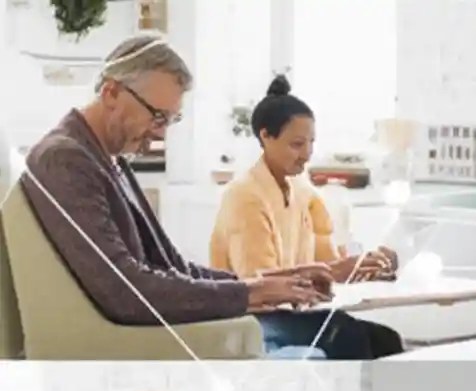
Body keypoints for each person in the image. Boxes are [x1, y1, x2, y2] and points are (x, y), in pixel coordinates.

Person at [17, 34, 398, 359]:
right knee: (353, 338)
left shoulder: (105, 157)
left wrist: (277, 280)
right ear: (111, 92)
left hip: (158, 323)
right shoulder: (66, 160)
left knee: (367, 335)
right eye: (156, 116)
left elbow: (173, 267)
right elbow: (127, 289)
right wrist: (252, 291)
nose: (161, 134)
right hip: (137, 335)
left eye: (169, 120)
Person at [208, 75, 404, 357]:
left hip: (298, 312)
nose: (307, 154)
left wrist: (368, 266)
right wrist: (334, 272)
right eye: (297, 144)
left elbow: (326, 265)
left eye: (311, 143)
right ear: (265, 136)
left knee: (384, 340)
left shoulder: (304, 193)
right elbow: (258, 286)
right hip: (255, 319)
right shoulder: (244, 197)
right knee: (353, 340)